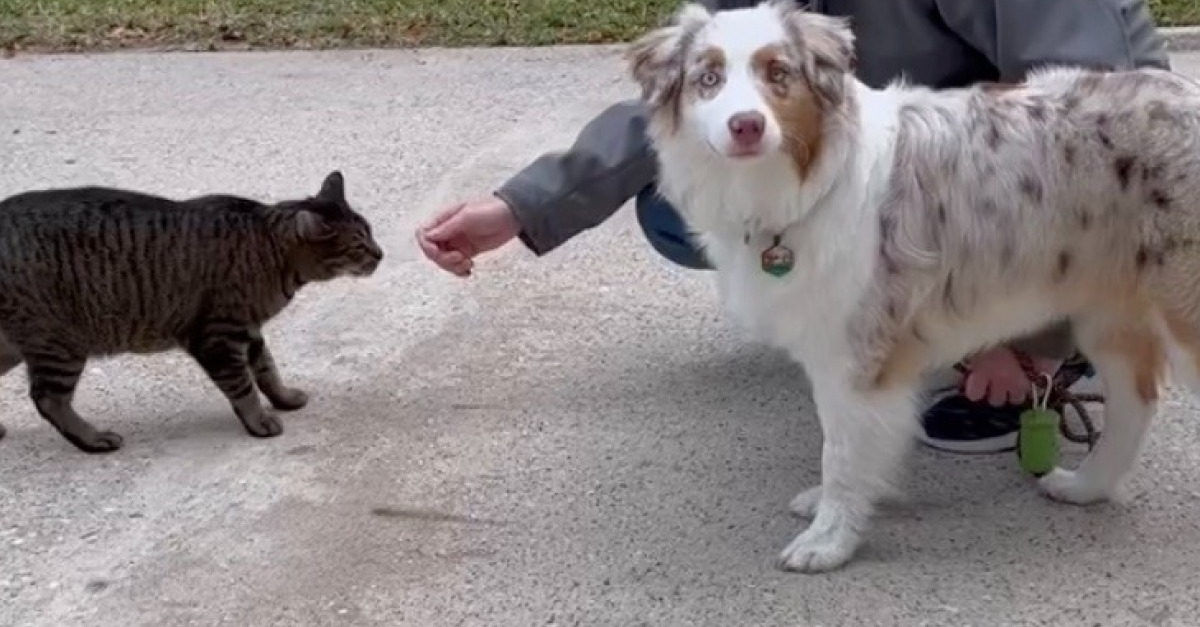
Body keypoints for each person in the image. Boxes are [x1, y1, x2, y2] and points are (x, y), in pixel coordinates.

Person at [416, 0, 1172, 454]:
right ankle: (873, 312)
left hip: (1081, 179)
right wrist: (522, 207)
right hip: (902, 165)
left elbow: (1087, 129)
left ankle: (1048, 349)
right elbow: (689, 85)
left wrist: (996, 328)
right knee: (679, 206)